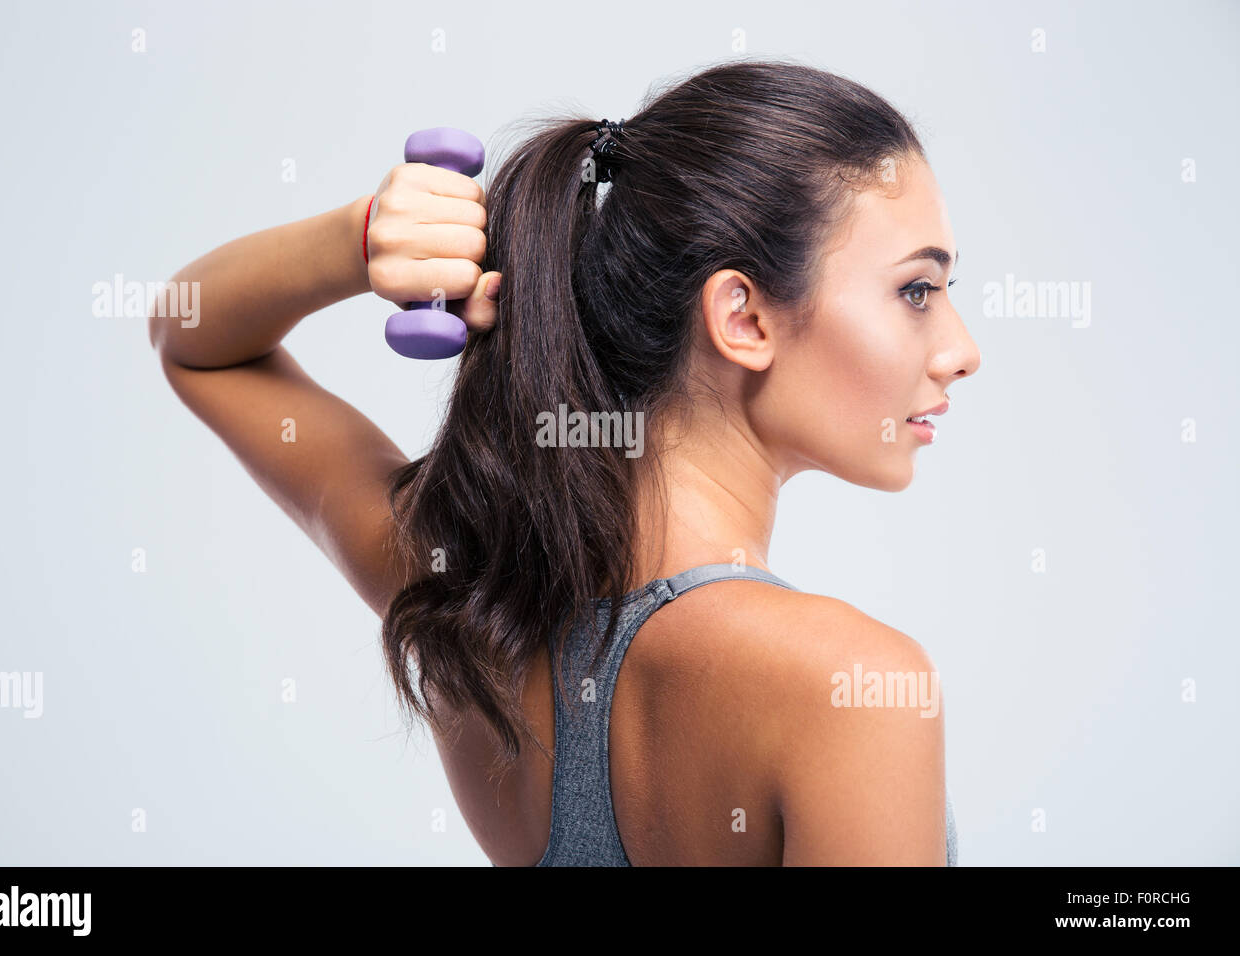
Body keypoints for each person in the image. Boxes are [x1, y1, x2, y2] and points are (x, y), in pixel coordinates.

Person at [148, 56, 981, 865]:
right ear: (744, 318)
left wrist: (357, 239)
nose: (962, 351)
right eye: (916, 291)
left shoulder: (462, 596)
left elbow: (194, 342)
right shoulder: (853, 689)